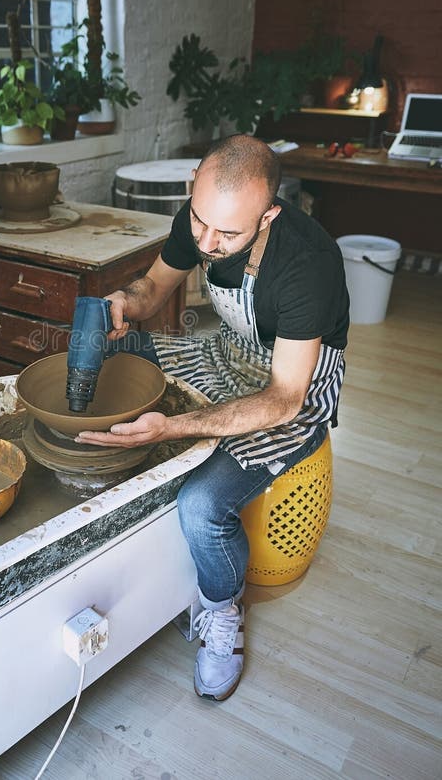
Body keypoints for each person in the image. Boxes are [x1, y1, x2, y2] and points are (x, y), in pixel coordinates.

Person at [76, 134, 349, 701]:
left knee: (201, 504)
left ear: (268, 216)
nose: (207, 242)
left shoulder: (308, 264)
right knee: (120, 359)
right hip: (226, 356)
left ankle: (223, 610)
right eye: (200, 222)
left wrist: (174, 426)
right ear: (194, 187)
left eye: (227, 234)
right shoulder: (203, 217)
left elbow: (283, 398)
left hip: (294, 389)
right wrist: (124, 301)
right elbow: (153, 288)